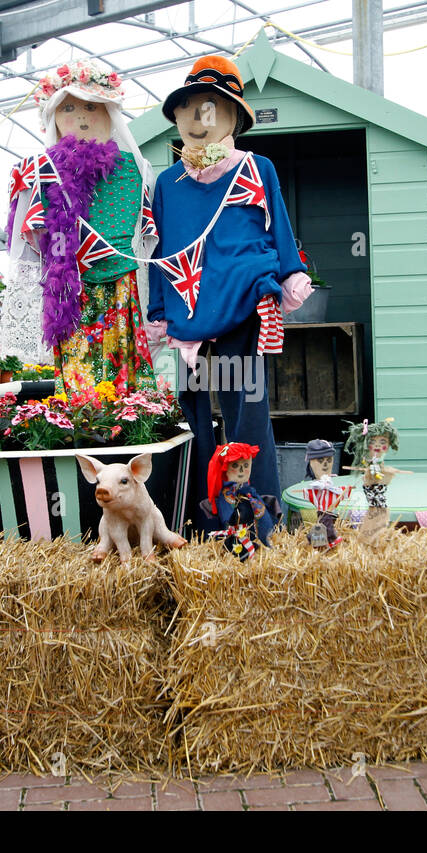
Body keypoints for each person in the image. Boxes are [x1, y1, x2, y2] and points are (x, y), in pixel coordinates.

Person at [145, 54, 312, 531]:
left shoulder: (257, 167)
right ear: (176, 117)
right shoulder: (167, 183)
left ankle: (255, 526)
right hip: (185, 317)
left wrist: (289, 273)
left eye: (214, 108)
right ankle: (197, 525)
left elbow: (278, 223)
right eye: (192, 108)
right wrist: (159, 309)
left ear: (234, 117)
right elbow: (159, 249)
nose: (202, 119)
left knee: (248, 421)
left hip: (245, 306)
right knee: (189, 422)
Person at [2, 60, 158, 394]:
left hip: (121, 286)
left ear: (109, 112)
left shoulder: (135, 170)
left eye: (92, 106)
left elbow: (150, 236)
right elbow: (26, 243)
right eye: (69, 108)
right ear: (54, 117)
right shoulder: (40, 171)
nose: (83, 117)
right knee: (79, 390)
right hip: (69, 292)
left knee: (125, 386)